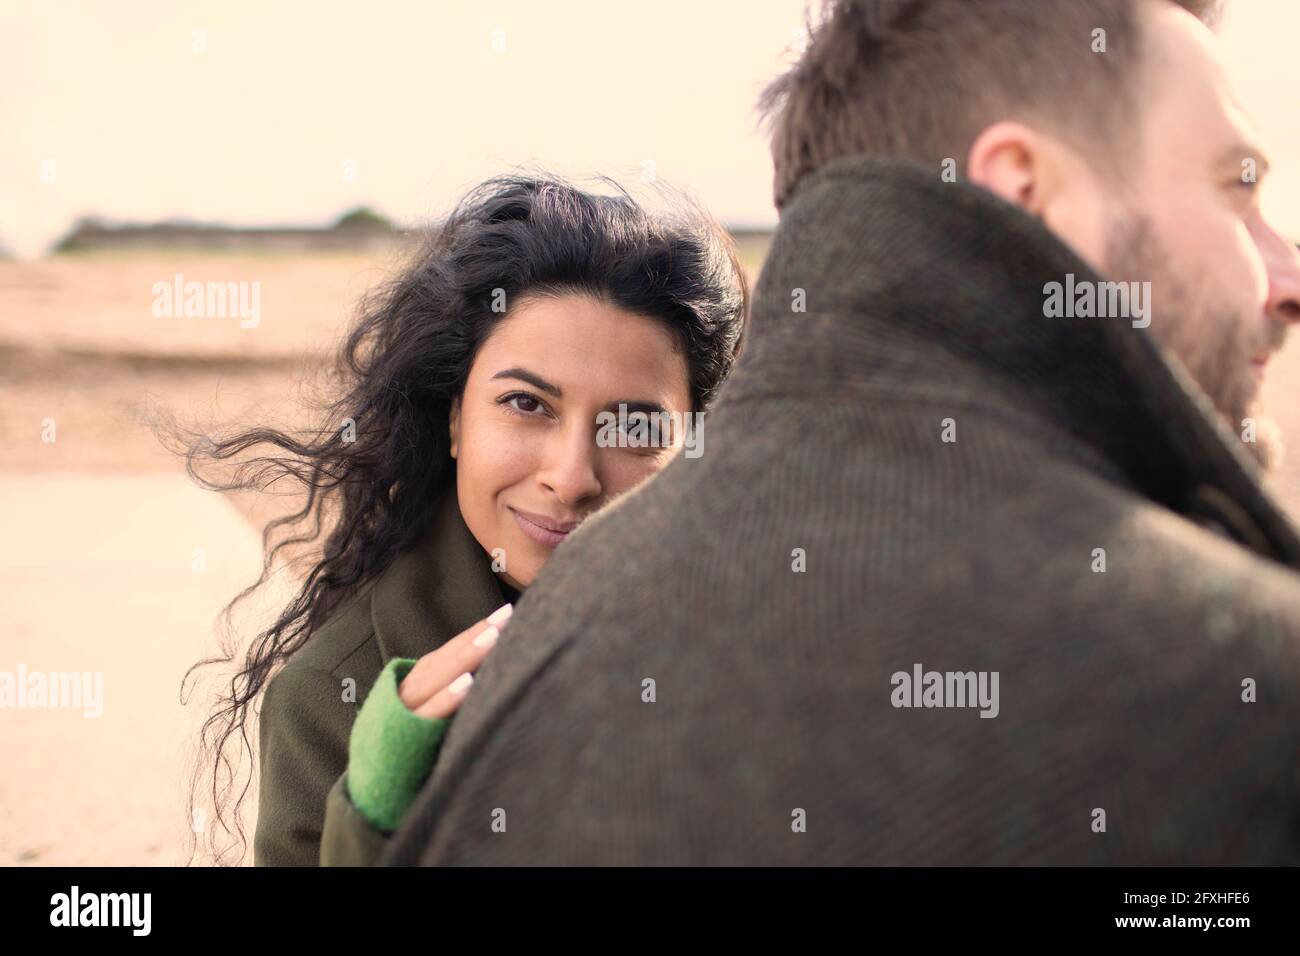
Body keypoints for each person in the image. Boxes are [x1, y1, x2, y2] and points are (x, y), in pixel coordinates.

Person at [383, 0, 1300, 865]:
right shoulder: (1246, 694)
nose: (1286, 271)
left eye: (630, 423)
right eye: (1239, 189)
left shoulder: (563, 630)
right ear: (1026, 194)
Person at [180, 175, 747, 865]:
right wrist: (378, 812)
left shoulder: (765, 643)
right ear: (454, 418)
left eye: (633, 425)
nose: (570, 477)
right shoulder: (335, 695)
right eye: (526, 404)